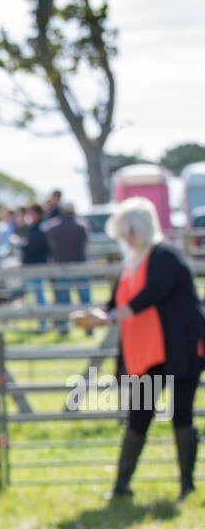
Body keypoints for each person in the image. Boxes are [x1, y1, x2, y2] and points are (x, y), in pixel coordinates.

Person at [73, 197, 205, 499]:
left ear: (143, 228)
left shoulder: (165, 255)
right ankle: (122, 484)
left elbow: (151, 294)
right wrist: (96, 314)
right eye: (124, 233)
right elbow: (116, 301)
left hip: (178, 350)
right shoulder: (131, 264)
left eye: (130, 231)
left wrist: (108, 317)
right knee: (139, 414)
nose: (127, 238)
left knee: (181, 414)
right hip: (146, 354)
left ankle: (187, 484)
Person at [44, 202, 90, 327]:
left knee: (63, 300)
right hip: (80, 265)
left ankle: (63, 326)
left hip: (61, 267)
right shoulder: (81, 225)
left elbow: (50, 245)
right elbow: (86, 242)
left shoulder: (53, 226)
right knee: (84, 300)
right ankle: (88, 327)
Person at [20, 202, 50, 321]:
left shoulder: (41, 228)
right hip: (32, 265)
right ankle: (42, 321)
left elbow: (36, 247)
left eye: (30, 213)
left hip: (37, 265)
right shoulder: (34, 227)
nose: (28, 216)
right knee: (37, 296)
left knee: (39, 296)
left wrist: (24, 246)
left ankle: (43, 321)